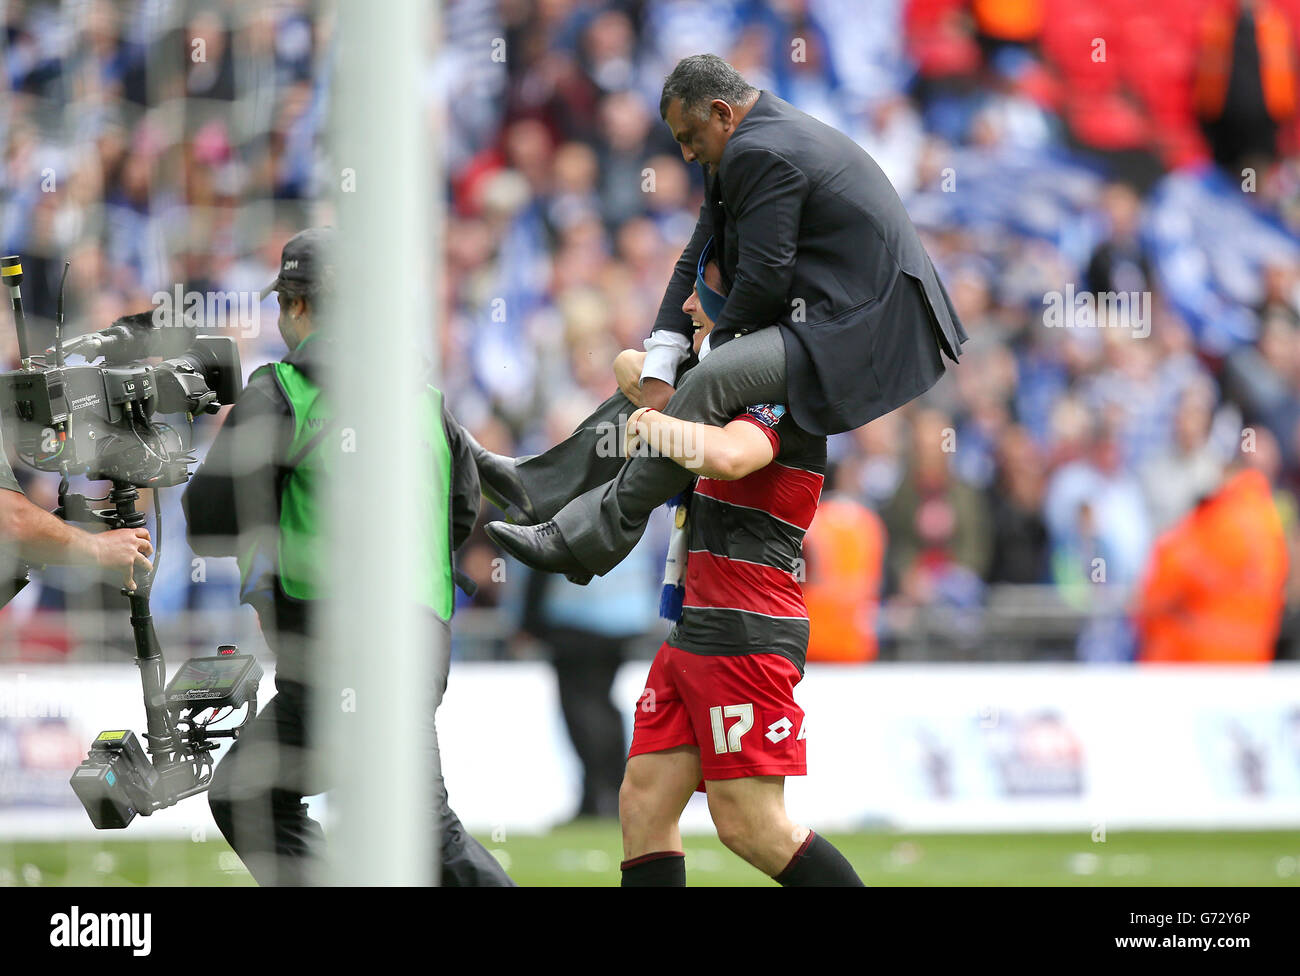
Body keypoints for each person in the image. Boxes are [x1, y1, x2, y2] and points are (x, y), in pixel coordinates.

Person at [482, 53, 965, 582]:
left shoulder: (758, 151)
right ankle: (538, 492)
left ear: (721, 113)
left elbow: (763, 280)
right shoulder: (742, 140)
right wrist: (664, 364)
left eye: (690, 137)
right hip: (826, 320)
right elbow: (696, 254)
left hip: (865, 330)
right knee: (686, 373)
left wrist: (693, 367)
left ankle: (590, 536)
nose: (686, 154)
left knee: (710, 375)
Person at [183, 228, 513, 886]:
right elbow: (458, 513)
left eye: (283, 305)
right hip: (417, 638)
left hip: (338, 647)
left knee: (416, 828)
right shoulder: (426, 400)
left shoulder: (281, 391)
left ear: (299, 306)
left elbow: (207, 520)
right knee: (251, 793)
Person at [615, 247, 863, 887]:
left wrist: (653, 422)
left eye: (700, 294)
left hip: (747, 632)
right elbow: (627, 365)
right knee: (644, 802)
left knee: (751, 827)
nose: (688, 306)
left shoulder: (784, 394)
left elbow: (727, 457)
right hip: (697, 627)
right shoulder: (718, 385)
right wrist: (665, 385)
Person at [0, 427, 153, 601]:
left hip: (92, 576)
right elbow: (12, 519)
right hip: (51, 577)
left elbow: (141, 501)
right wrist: (99, 546)